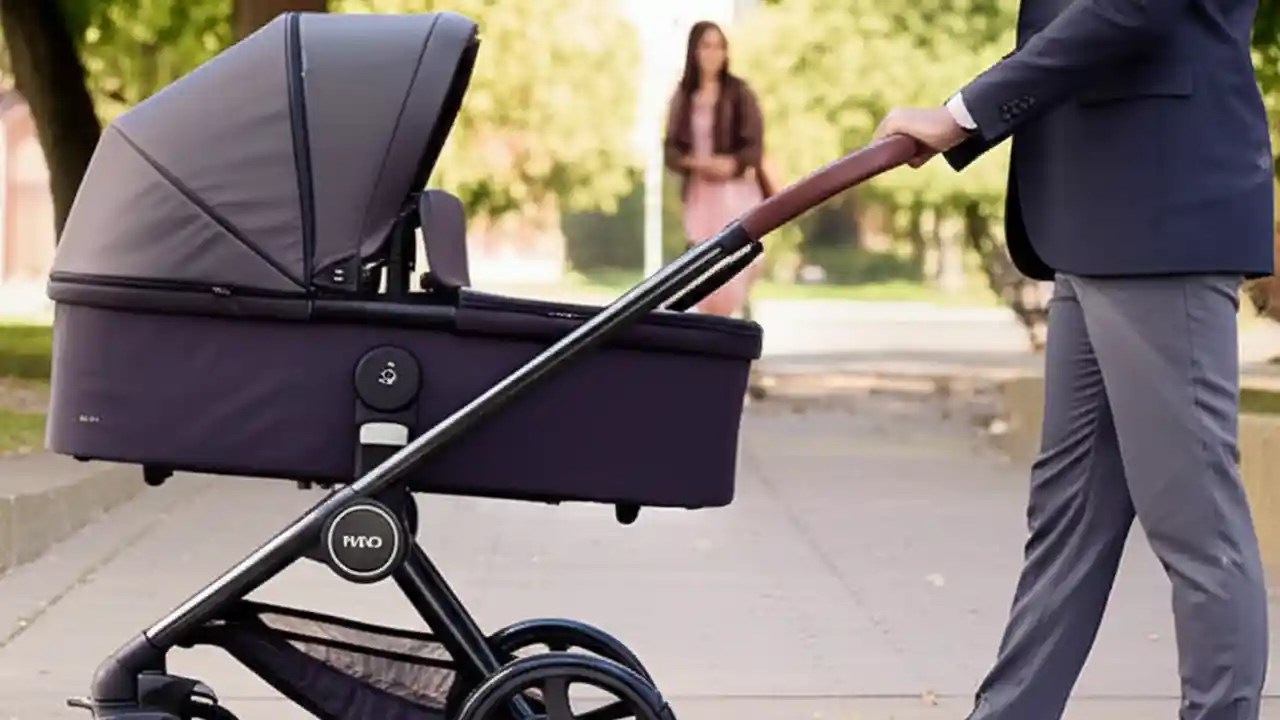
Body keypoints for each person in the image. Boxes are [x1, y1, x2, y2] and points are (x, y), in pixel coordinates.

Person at [872, 1, 1275, 719]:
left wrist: (963, 114)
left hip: (1161, 224)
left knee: (1197, 525)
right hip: (1092, 227)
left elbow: (1132, 9)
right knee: (1069, 518)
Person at [663, 20, 773, 323]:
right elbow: (671, 150)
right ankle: (713, 328)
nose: (713, 54)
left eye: (719, 46)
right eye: (706, 46)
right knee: (703, 264)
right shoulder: (683, 98)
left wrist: (732, 164)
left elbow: (754, 146)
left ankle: (738, 318)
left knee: (734, 258)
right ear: (694, 51)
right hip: (700, 194)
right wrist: (697, 163)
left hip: (734, 191)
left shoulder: (740, 94)